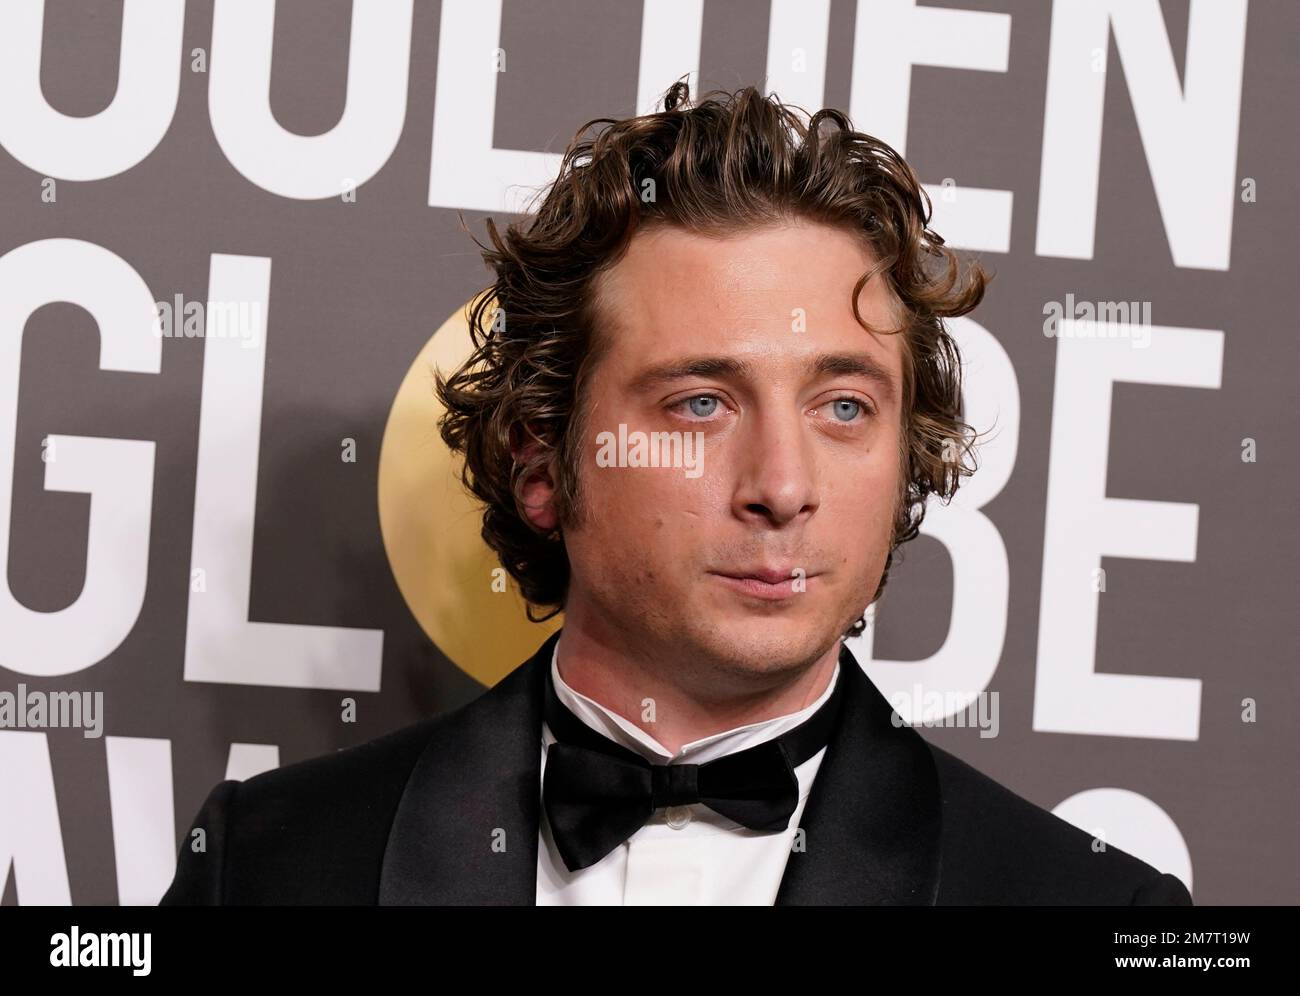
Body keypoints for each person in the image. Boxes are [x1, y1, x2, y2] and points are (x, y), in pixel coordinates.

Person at [161, 82, 1191, 906]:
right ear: (539, 463)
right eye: (700, 404)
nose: (783, 488)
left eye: (841, 407)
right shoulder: (264, 868)